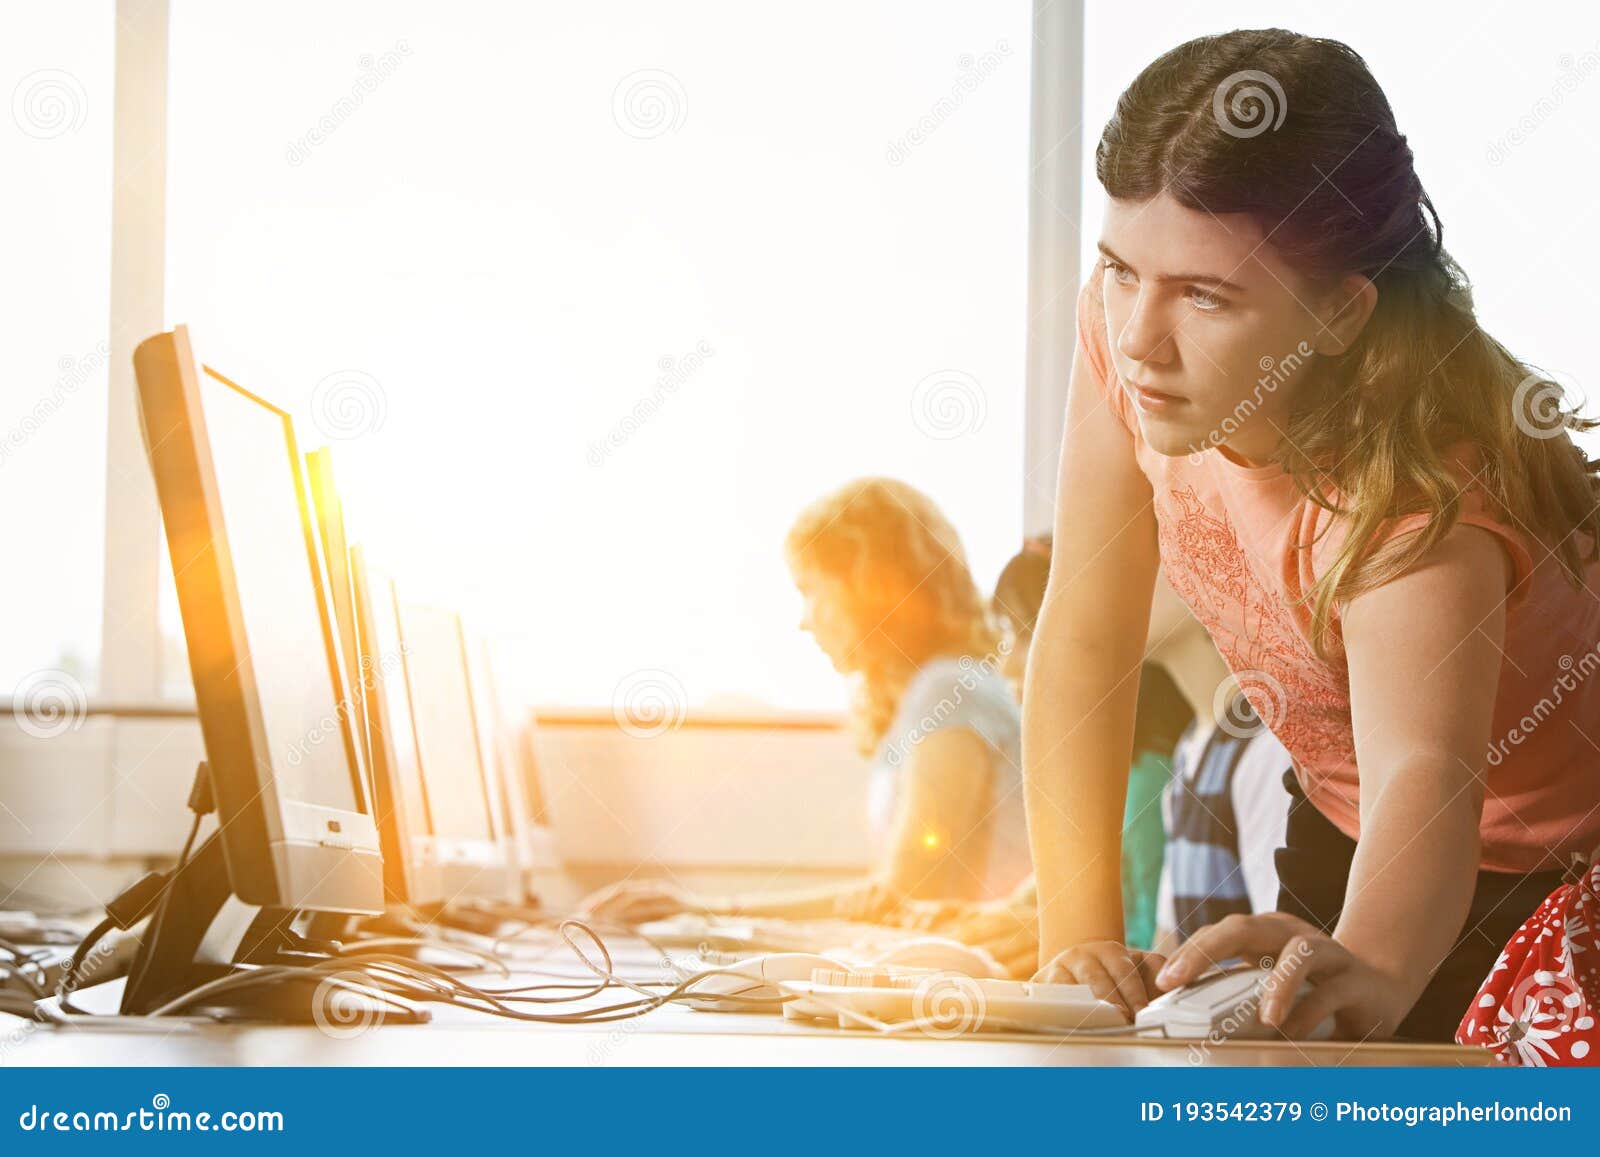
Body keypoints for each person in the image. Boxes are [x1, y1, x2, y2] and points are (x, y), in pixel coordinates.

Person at [1028, 28, 1600, 1041]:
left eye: (1205, 294)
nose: (1137, 337)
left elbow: (1429, 774)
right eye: (1122, 269)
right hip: (1349, 815)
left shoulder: (1412, 495)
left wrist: (1377, 962)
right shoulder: (1127, 338)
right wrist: (1078, 946)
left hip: (1555, 869)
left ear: (1339, 313)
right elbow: (1083, 634)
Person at [581, 477, 1028, 925]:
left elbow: (902, 896)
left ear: (868, 587)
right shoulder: (931, 693)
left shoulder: (949, 689)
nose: (804, 621)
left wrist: (710, 913)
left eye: (810, 591)